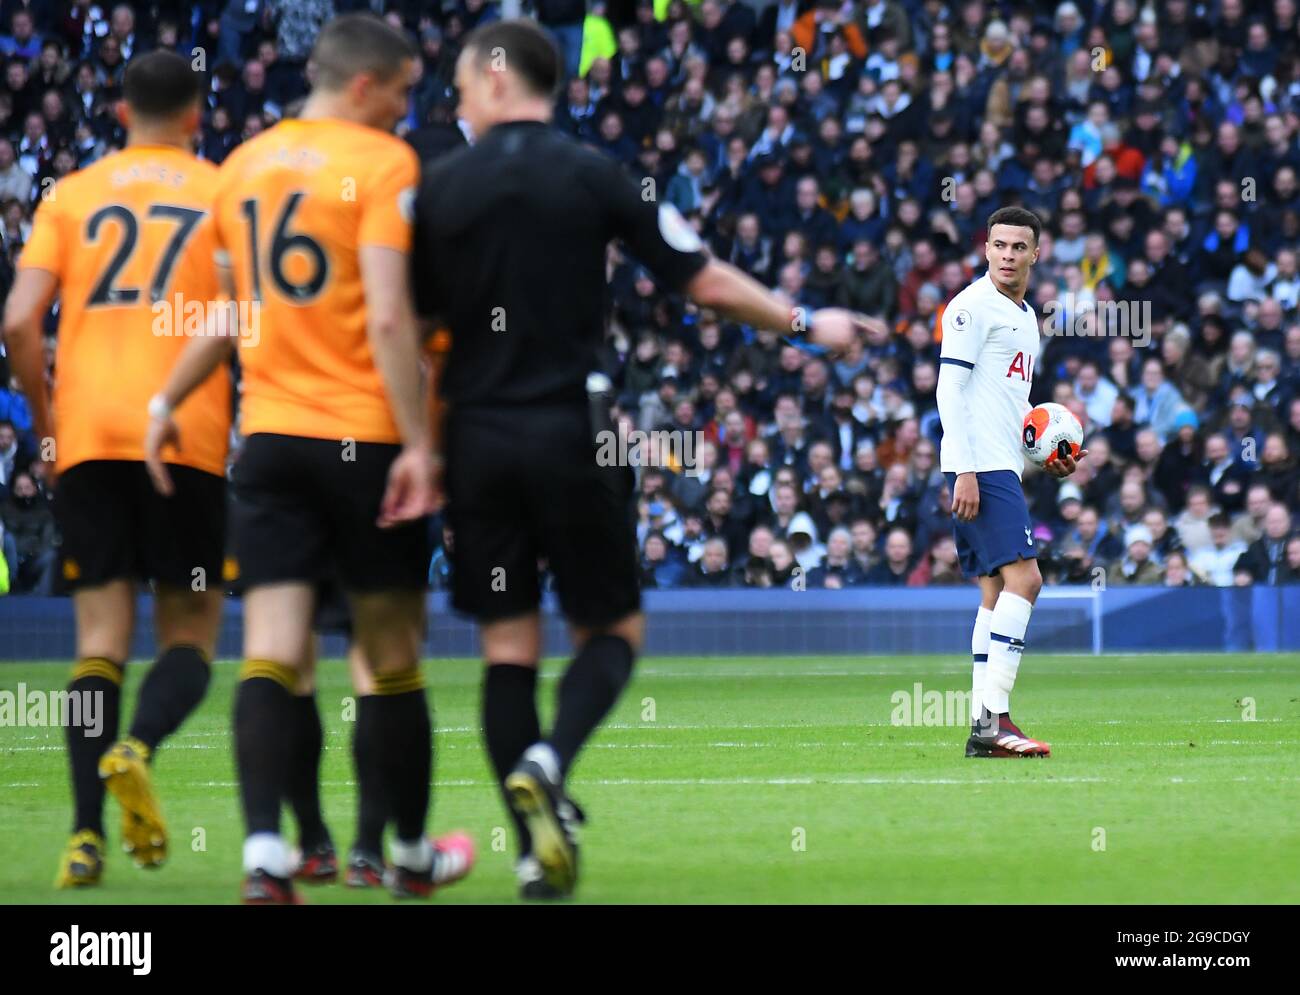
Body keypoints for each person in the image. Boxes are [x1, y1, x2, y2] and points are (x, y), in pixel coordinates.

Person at [411, 18, 868, 900]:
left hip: (477, 440)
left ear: (500, 81)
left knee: (508, 650)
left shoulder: (441, 186)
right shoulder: (596, 175)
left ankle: (529, 848)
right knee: (612, 632)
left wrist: (425, 447)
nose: (458, 100)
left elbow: (415, 329)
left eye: (465, 84)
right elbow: (700, 278)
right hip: (574, 432)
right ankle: (552, 759)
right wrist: (808, 323)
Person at [143, 14, 472, 904]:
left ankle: (265, 858)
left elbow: (227, 311)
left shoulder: (242, 166)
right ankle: (401, 853)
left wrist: (166, 400)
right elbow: (393, 315)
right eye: (402, 91)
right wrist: (417, 443)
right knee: (389, 654)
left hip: (273, 443)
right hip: (363, 437)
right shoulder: (382, 163)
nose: (408, 111)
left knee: (272, 652)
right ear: (364, 87)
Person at [3, 51, 233, 890]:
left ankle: (83, 839)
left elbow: (21, 320)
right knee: (192, 635)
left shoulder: (71, 194)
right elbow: (241, 315)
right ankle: (136, 746)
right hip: (183, 430)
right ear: (197, 114)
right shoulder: (220, 191)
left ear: (118, 108)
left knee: (98, 644)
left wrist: (51, 413)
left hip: (92, 430)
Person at [936, 206, 1085, 759]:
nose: (1007, 255)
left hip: (999, 461)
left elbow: (1011, 407)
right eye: (999, 245)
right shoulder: (971, 308)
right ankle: (995, 721)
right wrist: (967, 468)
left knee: (995, 592)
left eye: (1018, 247)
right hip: (981, 467)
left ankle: (982, 728)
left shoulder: (1023, 316)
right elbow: (948, 392)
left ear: (1035, 253)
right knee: (1028, 581)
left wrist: (1046, 455)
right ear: (986, 249)